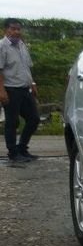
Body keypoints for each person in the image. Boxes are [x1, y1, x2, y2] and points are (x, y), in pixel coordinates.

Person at [0, 18, 40, 162]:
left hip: (24, 88)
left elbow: (26, 66)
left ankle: (22, 148)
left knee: (34, 119)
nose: (16, 32)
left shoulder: (22, 45)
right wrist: (1, 91)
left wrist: (32, 83)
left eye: (18, 29)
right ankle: (13, 152)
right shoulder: (2, 46)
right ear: (6, 30)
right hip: (10, 89)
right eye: (13, 29)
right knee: (12, 122)